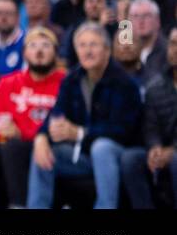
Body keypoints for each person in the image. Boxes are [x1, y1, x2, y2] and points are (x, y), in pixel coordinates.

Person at [26, 22, 142, 208]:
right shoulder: (72, 78)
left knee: (101, 147)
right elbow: (56, 113)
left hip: (119, 154)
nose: (87, 51)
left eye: (93, 45)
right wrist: (41, 137)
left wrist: (80, 133)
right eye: (82, 45)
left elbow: (123, 130)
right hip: (83, 155)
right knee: (43, 152)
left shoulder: (124, 83)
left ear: (106, 50)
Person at [0, 26, 67, 208]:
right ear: (24, 53)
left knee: (12, 147)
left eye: (45, 46)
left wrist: (21, 133)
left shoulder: (65, 83)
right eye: (33, 45)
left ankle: (18, 205)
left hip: (45, 145)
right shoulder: (8, 82)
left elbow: (59, 125)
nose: (39, 50)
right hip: (9, 143)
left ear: (55, 52)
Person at [120, 27, 177, 208]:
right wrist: (154, 147)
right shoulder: (155, 85)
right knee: (130, 158)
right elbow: (150, 125)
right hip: (164, 148)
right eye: (173, 44)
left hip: (175, 152)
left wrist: (173, 151)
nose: (175, 49)